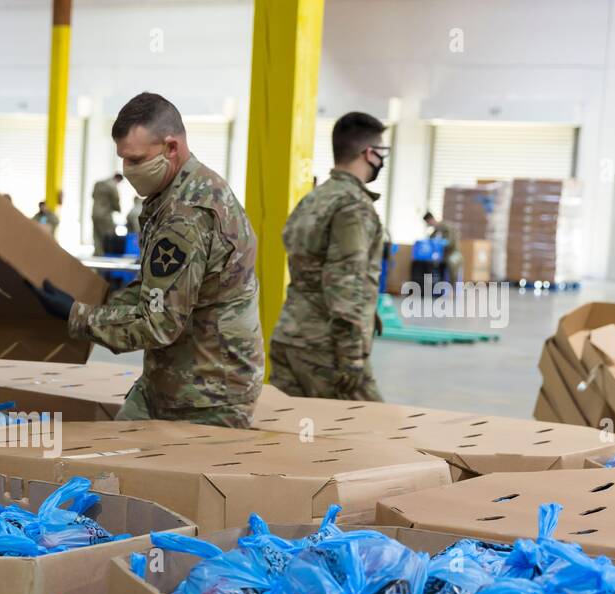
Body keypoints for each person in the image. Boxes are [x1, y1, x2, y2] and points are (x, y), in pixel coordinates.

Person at [28, 92, 264, 428]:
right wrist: (92, 302)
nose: (128, 171)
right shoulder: (173, 193)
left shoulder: (187, 216)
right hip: (171, 377)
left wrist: (77, 315)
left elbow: (158, 324)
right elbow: (153, 289)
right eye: (123, 160)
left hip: (207, 394)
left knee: (146, 475)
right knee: (113, 461)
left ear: (171, 147)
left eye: (137, 160)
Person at [269, 111, 388, 402]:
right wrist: (351, 356)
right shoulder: (353, 207)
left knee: (289, 433)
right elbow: (344, 281)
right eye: (381, 152)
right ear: (369, 153)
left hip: (289, 337)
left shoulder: (313, 199)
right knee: (372, 434)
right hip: (326, 348)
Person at [424, 211, 463, 284]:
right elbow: (430, 242)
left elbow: (450, 242)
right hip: (442, 254)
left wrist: (442, 243)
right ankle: (436, 286)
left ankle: (452, 286)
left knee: (451, 263)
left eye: (428, 222)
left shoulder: (446, 227)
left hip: (453, 252)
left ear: (431, 219)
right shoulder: (434, 232)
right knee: (430, 263)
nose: (428, 224)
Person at [91, 173, 122, 253]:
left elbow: (92, 196)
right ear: (118, 179)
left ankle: (97, 252)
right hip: (105, 214)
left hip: (94, 212)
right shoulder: (112, 185)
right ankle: (108, 252)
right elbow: (116, 200)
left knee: (96, 233)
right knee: (109, 233)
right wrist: (118, 210)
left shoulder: (98, 183)